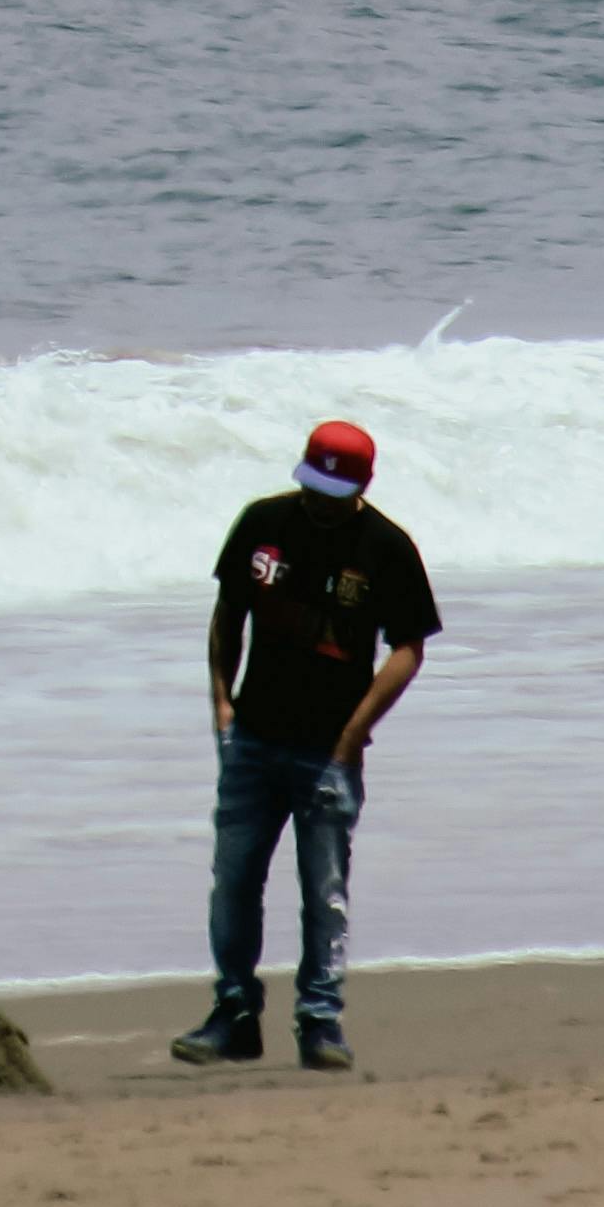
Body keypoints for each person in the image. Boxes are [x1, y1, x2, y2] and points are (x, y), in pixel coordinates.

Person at [172, 415, 441, 1076]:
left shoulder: (385, 547)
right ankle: (232, 1014)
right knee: (232, 882)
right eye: (311, 484)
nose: (318, 501)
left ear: (360, 485)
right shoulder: (262, 522)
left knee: (323, 892)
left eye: (332, 489)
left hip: (328, 750)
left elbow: (408, 648)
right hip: (254, 739)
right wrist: (220, 700)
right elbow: (227, 612)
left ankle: (319, 1020)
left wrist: (353, 735)